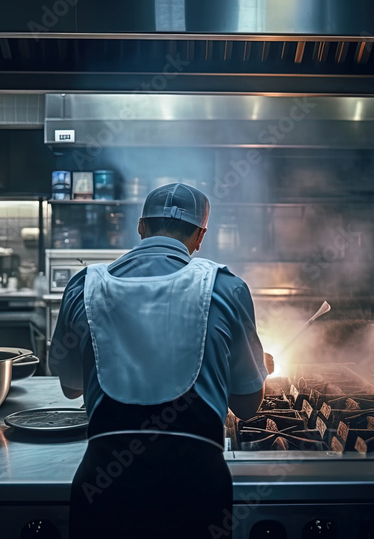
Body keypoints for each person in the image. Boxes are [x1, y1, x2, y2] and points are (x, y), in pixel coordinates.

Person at [49, 182, 270, 538]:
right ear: (200, 237)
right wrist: (253, 368)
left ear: (140, 226)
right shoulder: (227, 288)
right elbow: (246, 406)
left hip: (104, 488)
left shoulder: (83, 286)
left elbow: (71, 387)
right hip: (196, 494)